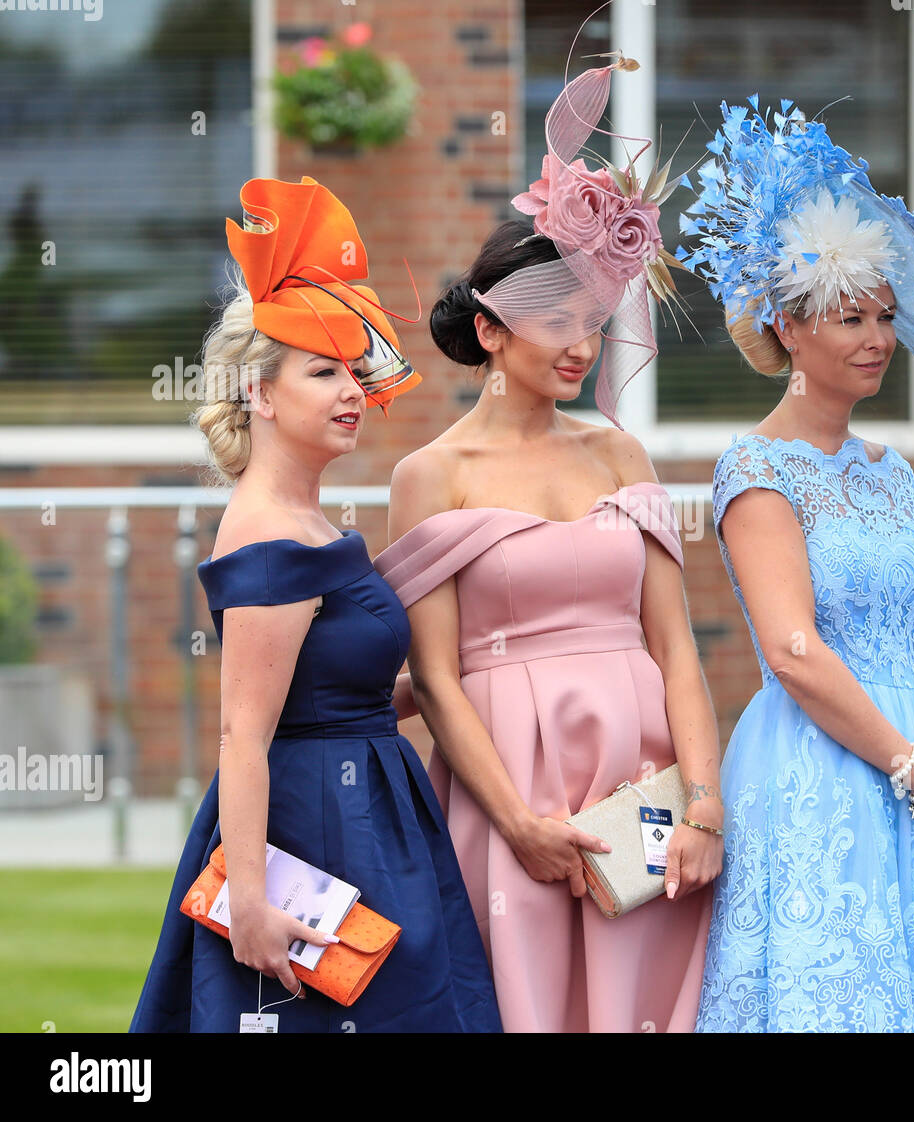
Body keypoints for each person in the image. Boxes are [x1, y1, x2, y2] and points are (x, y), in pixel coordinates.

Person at [677, 99, 914, 1031]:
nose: (878, 338)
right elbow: (795, 653)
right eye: (850, 318)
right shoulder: (754, 471)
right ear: (789, 331)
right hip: (818, 770)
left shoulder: (894, 473)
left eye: (884, 316)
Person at [373, 55, 723, 1033]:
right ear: (488, 331)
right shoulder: (428, 476)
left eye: (593, 325)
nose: (578, 345)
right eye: (555, 322)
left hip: (639, 779)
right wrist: (516, 822)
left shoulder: (621, 453)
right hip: (505, 787)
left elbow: (677, 650)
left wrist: (702, 805)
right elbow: (434, 679)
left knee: (651, 1004)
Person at [130, 176, 501, 1033]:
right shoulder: (266, 533)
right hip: (313, 829)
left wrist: (457, 679)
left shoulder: (306, 518)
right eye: (323, 371)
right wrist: (252, 900)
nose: (351, 392)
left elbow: (337, 692)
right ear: (260, 392)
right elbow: (243, 735)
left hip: (372, 805)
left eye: (356, 371)